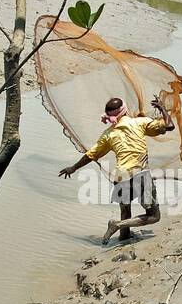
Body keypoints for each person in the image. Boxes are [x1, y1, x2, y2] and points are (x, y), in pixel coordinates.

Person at [59, 95, 175, 244]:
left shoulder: (108, 134)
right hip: (139, 173)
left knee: (125, 210)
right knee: (154, 216)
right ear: (125, 111)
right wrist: (162, 109)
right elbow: (169, 126)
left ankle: (123, 237)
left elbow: (91, 155)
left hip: (120, 176)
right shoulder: (139, 123)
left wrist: (73, 168)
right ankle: (117, 225)